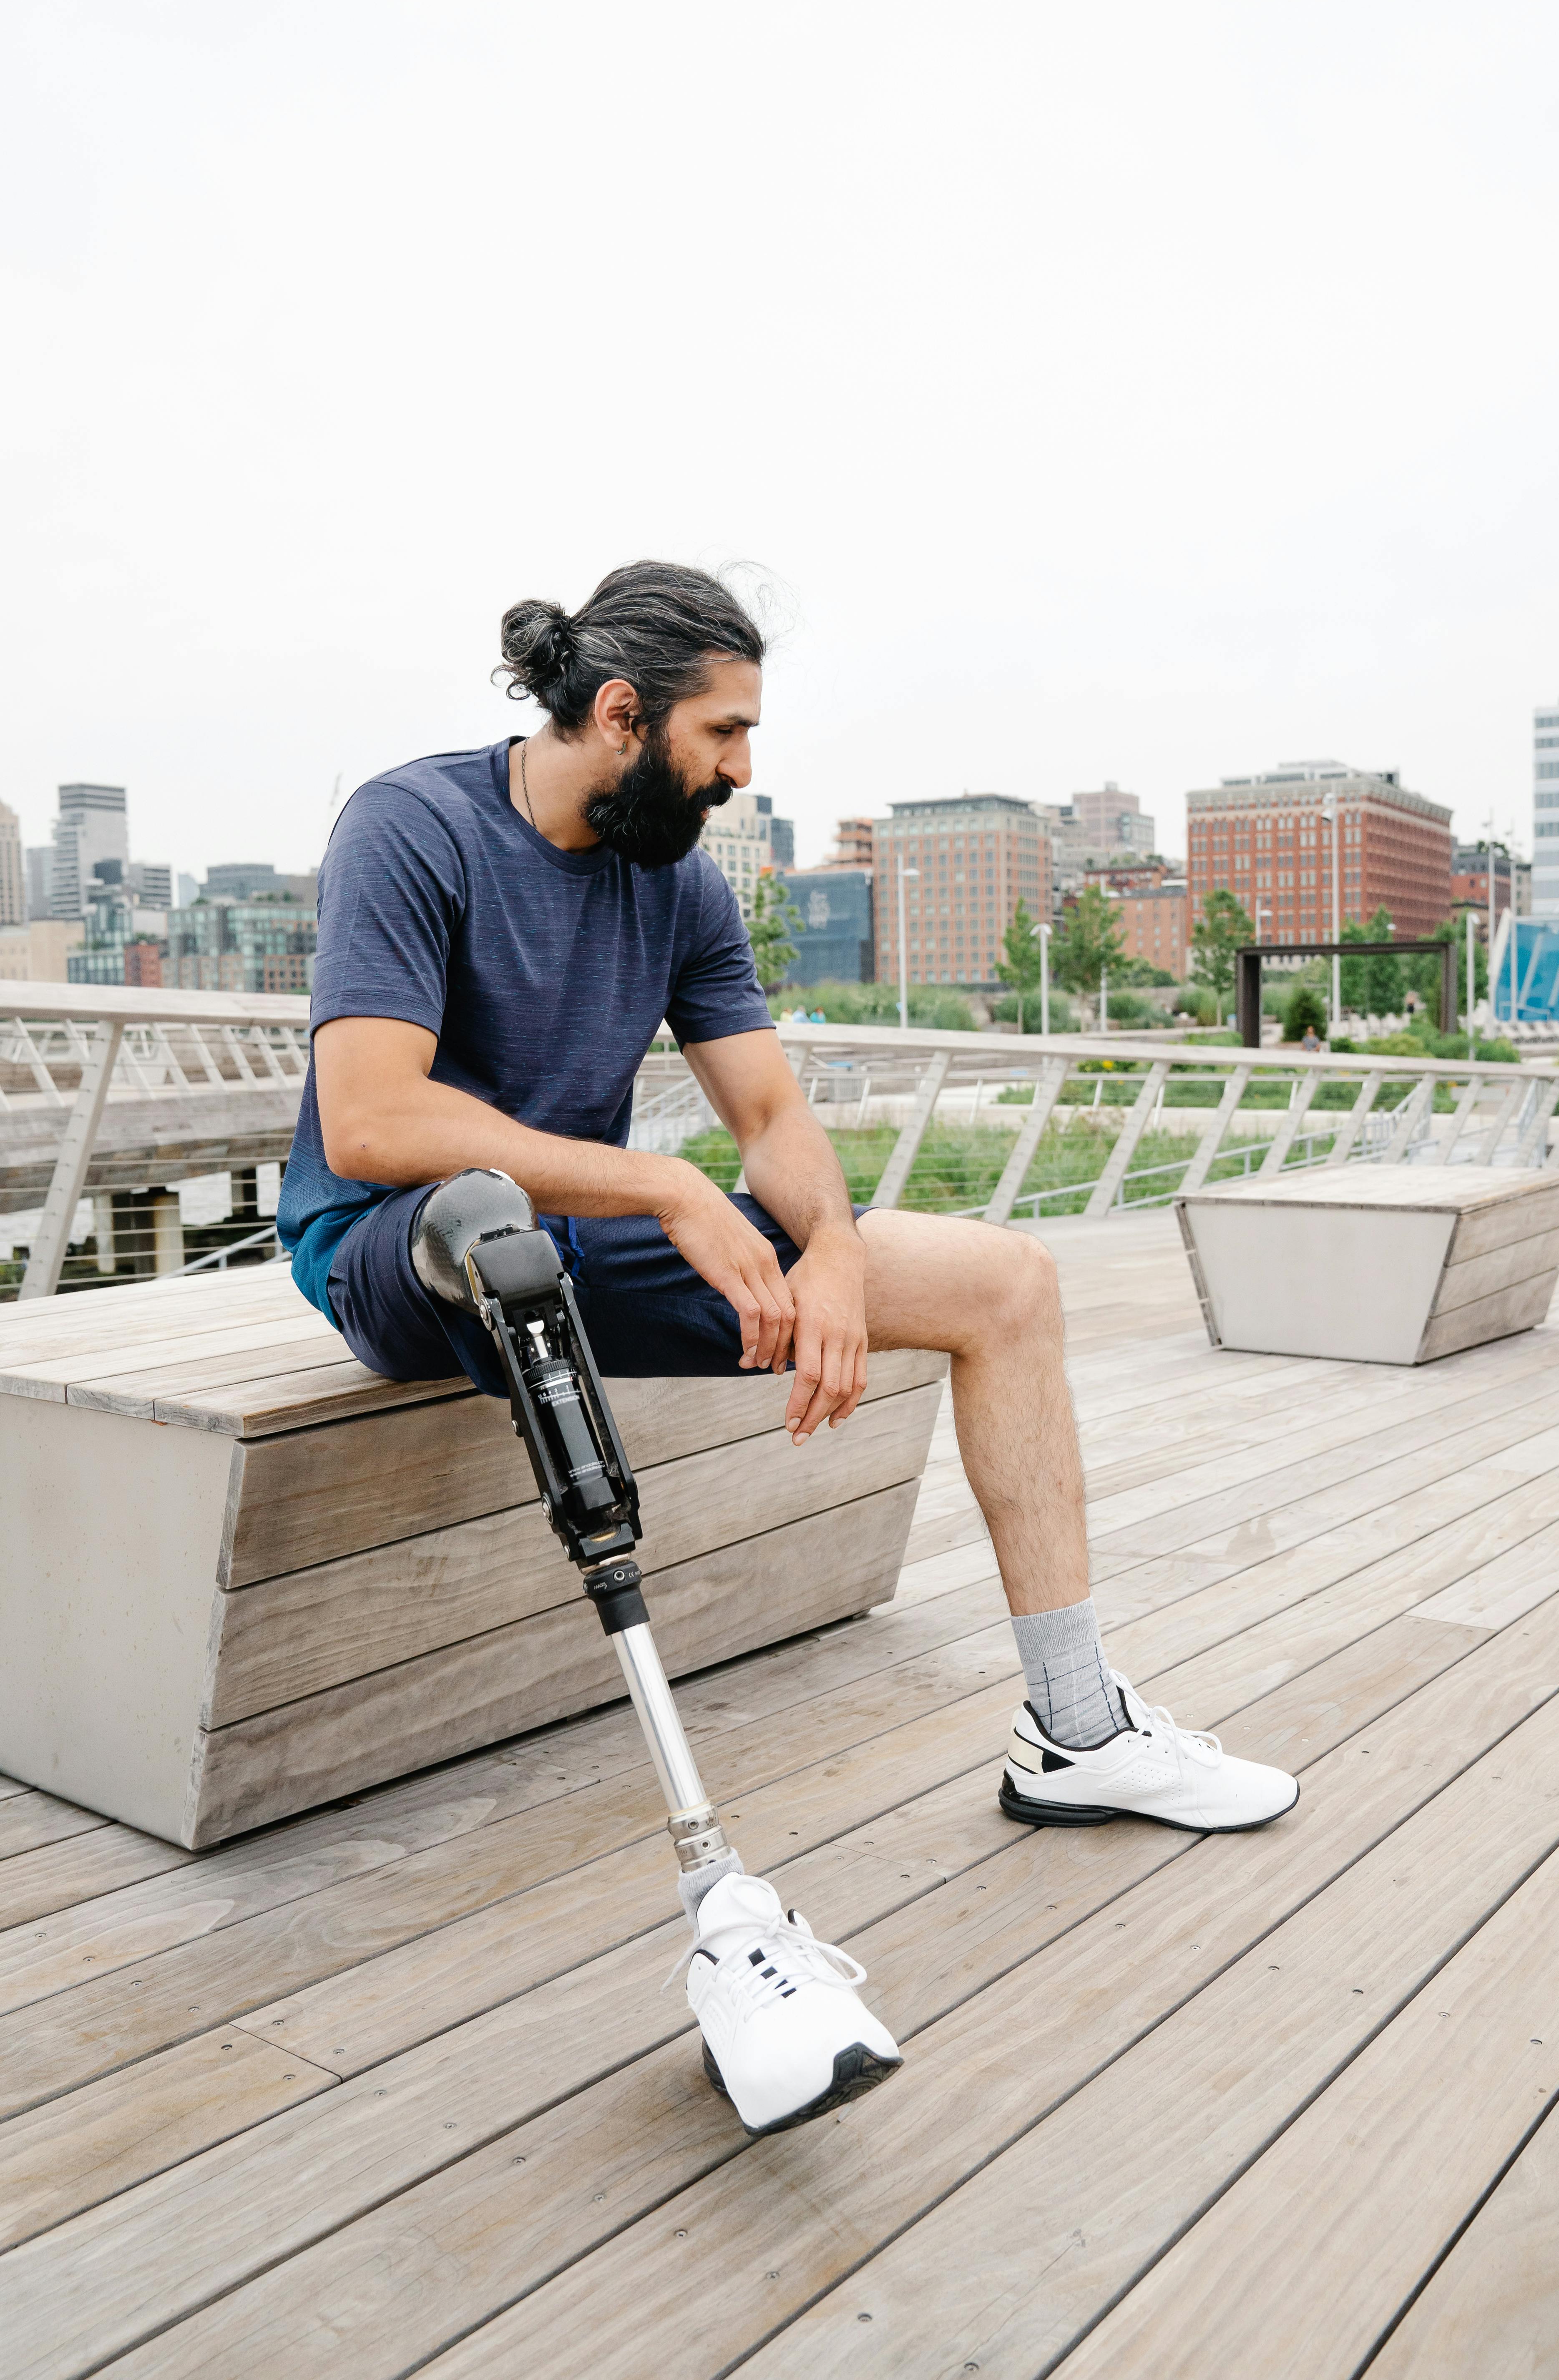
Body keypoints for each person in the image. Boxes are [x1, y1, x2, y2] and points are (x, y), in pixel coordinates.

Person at [278, 561, 1297, 2135]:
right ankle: (720, 1891)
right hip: (401, 1249)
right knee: (498, 1220)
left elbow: (768, 1111)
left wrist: (820, 1251)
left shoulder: (676, 876)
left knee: (1006, 1281)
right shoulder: (411, 829)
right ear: (620, 716)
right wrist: (670, 1189)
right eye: (725, 732)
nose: (747, 768)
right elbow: (376, 1117)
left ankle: (1076, 1729)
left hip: (577, 1231)